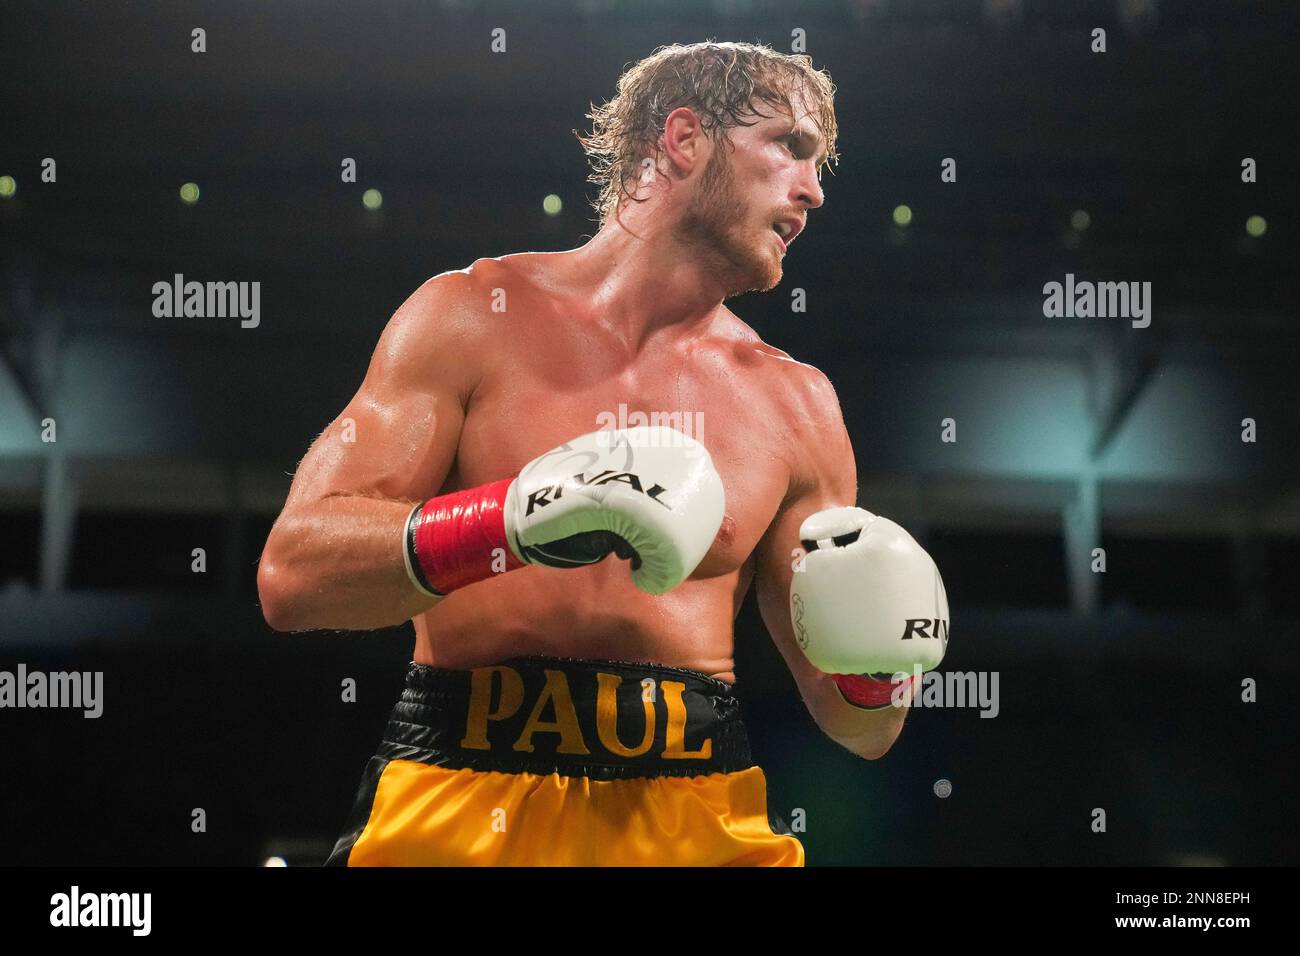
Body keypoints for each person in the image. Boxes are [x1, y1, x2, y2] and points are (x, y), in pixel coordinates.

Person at [257, 40, 948, 867]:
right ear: (686, 140)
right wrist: (510, 520)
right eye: (789, 147)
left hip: (696, 817)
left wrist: (878, 667)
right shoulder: (470, 317)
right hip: (458, 800)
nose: (814, 188)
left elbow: (860, 728)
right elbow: (293, 577)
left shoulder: (794, 404)